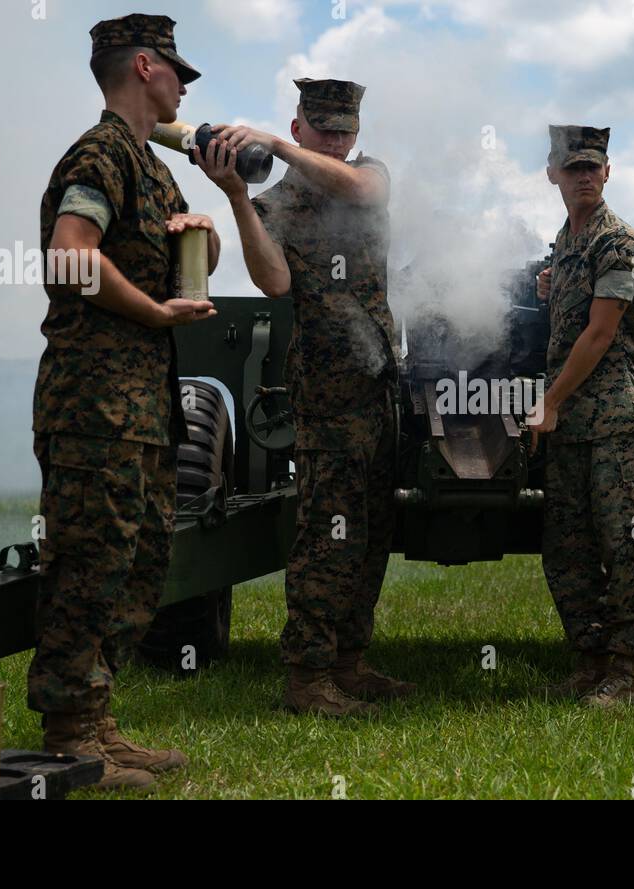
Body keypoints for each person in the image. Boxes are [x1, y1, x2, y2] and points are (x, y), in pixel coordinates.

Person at [30, 14, 218, 788]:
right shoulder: (100, 154)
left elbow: (185, 263)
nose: (184, 84)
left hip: (140, 408)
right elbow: (69, 257)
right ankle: (72, 732)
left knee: (136, 563)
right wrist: (149, 310)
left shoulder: (151, 166)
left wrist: (203, 235)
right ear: (145, 66)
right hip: (94, 409)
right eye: (178, 70)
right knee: (89, 565)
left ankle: (101, 724)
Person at [207, 78, 414, 716]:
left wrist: (274, 145)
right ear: (299, 127)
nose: (337, 141)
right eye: (322, 129)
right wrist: (240, 197)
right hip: (327, 395)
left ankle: (349, 662)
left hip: (379, 387)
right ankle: (307, 675)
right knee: (330, 535)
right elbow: (272, 281)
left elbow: (362, 188)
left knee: (374, 531)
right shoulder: (278, 205)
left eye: (345, 131)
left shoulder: (365, 177)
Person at [531, 124, 634, 708]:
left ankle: (626, 673)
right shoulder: (566, 243)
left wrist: (549, 401)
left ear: (607, 173)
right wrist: (550, 285)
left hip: (615, 424)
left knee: (622, 545)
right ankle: (589, 661)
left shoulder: (620, 244)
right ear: (552, 173)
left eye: (593, 167)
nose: (583, 177)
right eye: (572, 167)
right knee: (568, 547)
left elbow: (602, 331)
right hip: (572, 426)